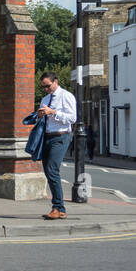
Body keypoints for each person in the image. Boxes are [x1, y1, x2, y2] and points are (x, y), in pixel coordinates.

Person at [37, 71, 77, 220]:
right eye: (43, 87)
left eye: (48, 86)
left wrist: (52, 112)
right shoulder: (45, 99)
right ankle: (60, 209)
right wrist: (40, 114)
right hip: (46, 137)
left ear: (56, 82)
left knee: (52, 170)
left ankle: (57, 207)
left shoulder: (66, 96)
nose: (46, 89)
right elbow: (42, 118)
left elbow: (72, 118)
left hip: (60, 137)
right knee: (48, 172)